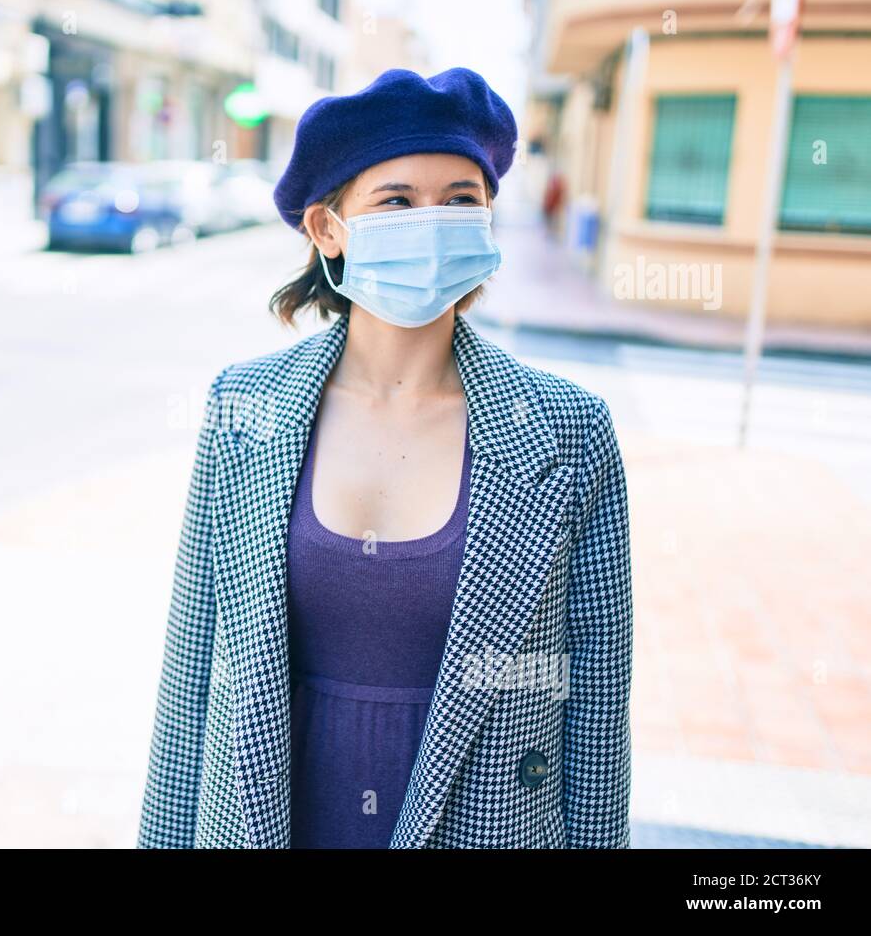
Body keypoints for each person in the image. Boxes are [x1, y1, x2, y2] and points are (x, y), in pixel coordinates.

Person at [136, 67, 633, 849]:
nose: (431, 223)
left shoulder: (569, 430)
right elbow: (193, 670)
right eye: (396, 201)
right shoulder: (244, 409)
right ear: (328, 228)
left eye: (461, 200)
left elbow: (597, 707)